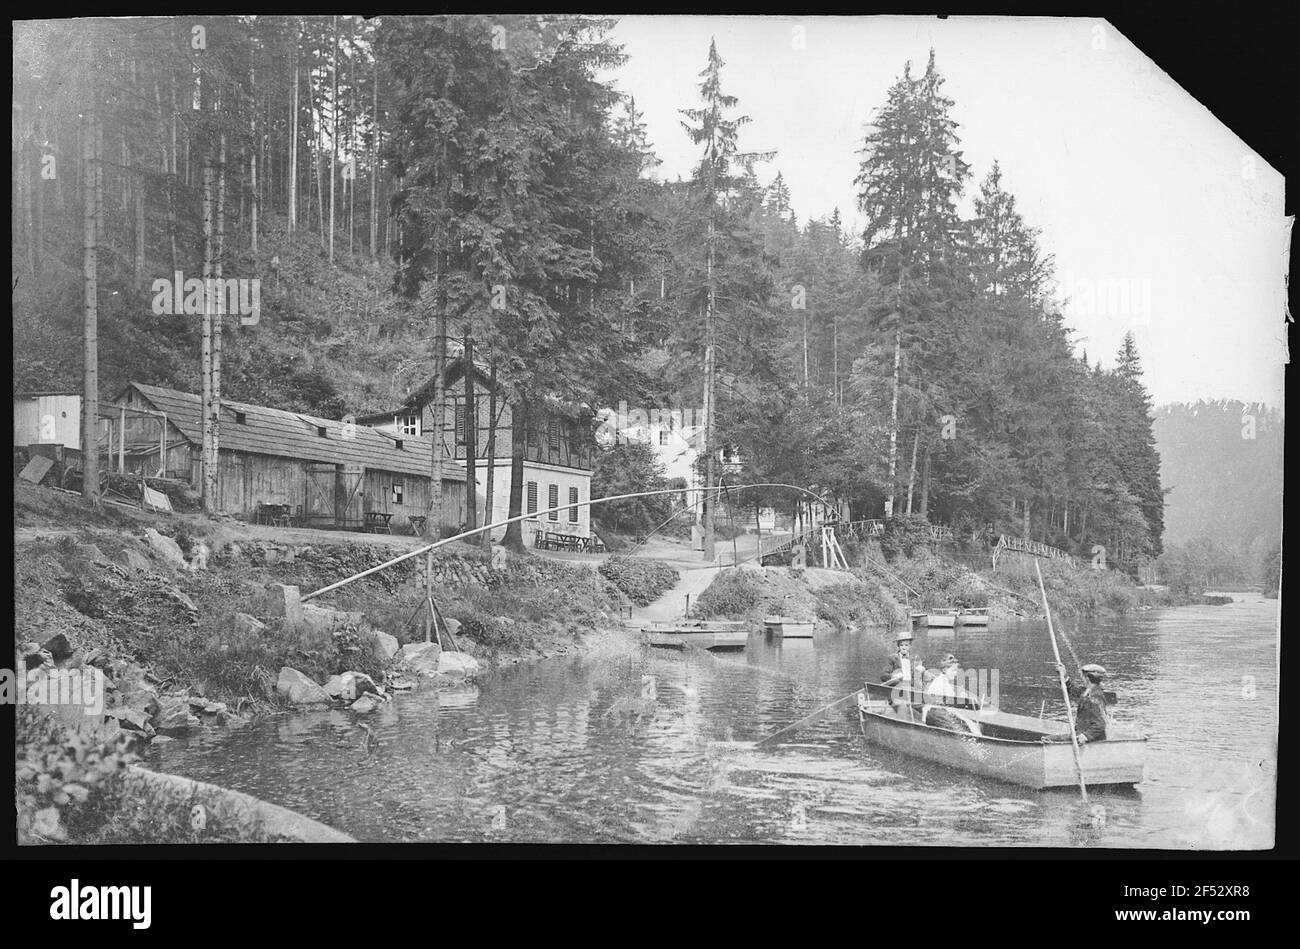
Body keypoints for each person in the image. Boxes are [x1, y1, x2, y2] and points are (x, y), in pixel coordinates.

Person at [1043, 662, 1109, 743]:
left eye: (1083, 675)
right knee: (1047, 738)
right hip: (1080, 734)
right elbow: (1073, 690)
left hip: (1091, 739)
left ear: (1087, 678)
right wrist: (1064, 675)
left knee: (1048, 739)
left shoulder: (1094, 697)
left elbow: (1100, 725)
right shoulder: (1088, 691)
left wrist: (1085, 736)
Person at [922, 654, 982, 735]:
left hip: (942, 712)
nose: (955, 673)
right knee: (964, 727)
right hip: (935, 713)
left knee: (970, 724)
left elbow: (948, 703)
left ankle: (975, 737)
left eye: (956, 671)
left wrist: (960, 699)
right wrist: (960, 702)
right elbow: (939, 702)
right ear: (944, 670)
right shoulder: (939, 682)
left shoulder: (946, 683)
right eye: (953, 670)